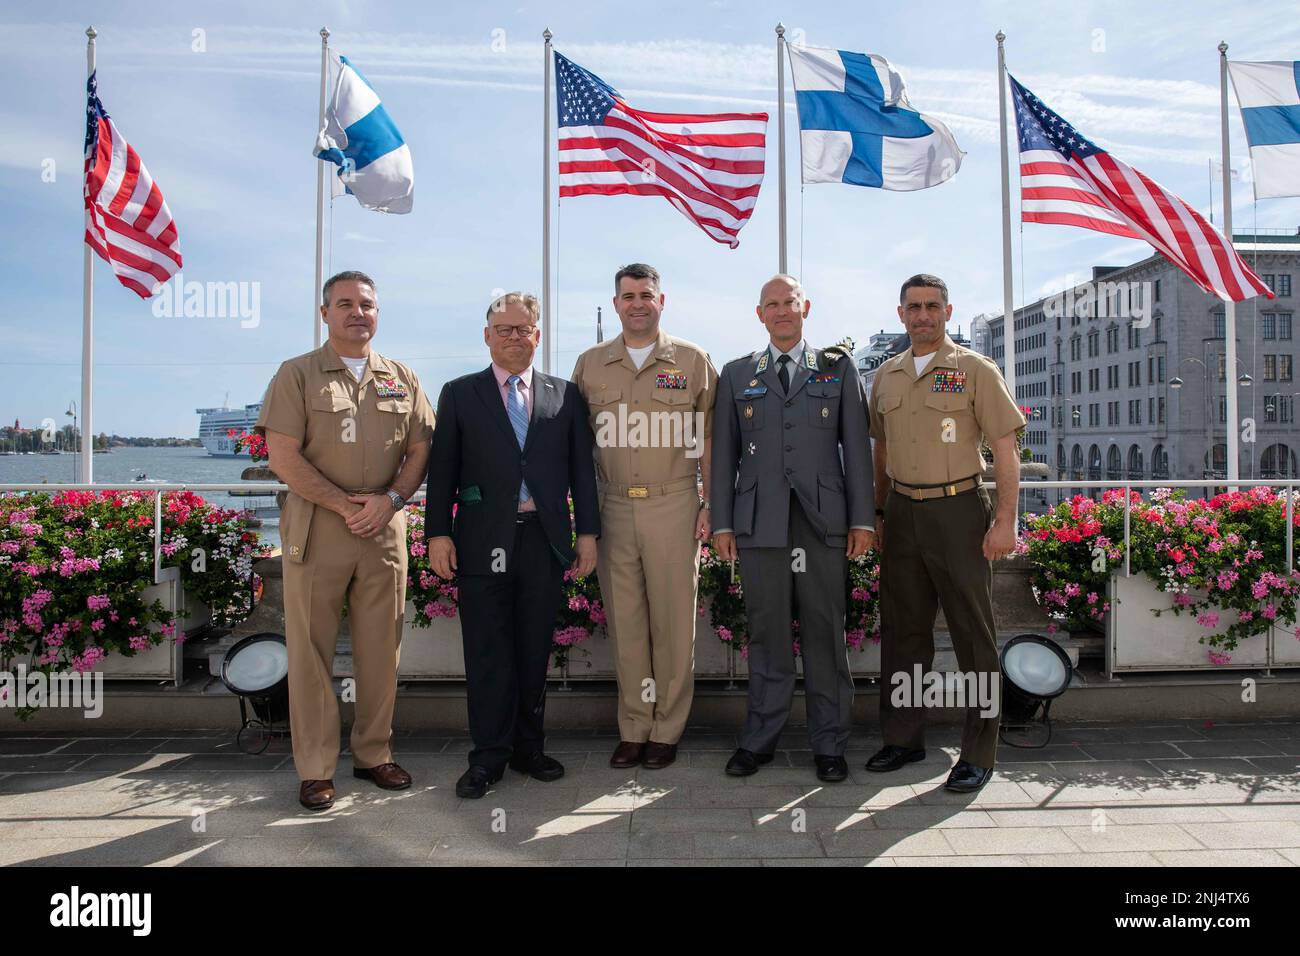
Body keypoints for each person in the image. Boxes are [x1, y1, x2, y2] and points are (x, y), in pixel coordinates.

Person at [258, 271, 435, 811]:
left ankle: (373, 754)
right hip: (319, 526)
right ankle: (315, 769)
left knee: (382, 648)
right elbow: (282, 457)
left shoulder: (401, 376)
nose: (357, 313)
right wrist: (342, 504)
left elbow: (421, 449)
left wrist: (392, 501)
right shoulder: (297, 375)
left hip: (383, 527)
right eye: (345, 304)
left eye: (367, 305)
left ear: (378, 313)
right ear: (325, 312)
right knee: (310, 652)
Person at [426, 292, 600, 799]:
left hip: (542, 543)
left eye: (524, 329)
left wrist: (585, 533)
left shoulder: (564, 395)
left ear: (538, 336)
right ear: (487, 336)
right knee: (486, 652)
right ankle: (487, 757)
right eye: (504, 329)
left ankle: (529, 748)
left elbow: (582, 473)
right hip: (481, 543)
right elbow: (443, 472)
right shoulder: (460, 393)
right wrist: (438, 531)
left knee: (532, 651)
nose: (515, 337)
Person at [711, 274, 875, 783]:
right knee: (767, 634)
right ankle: (759, 740)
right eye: (772, 305)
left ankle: (830, 744)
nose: (782, 311)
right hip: (760, 523)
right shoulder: (737, 374)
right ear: (759, 314)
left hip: (824, 523)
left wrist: (863, 519)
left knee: (826, 633)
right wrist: (721, 523)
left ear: (806, 308)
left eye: (790, 302)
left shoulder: (837, 368)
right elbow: (723, 457)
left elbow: (858, 450)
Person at [866, 273, 1025, 793]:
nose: (923, 315)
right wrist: (880, 512)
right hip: (904, 513)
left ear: (948, 311)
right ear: (901, 314)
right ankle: (904, 738)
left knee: (972, 636)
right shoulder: (886, 376)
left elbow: (1005, 450)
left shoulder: (975, 370)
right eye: (913, 307)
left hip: (959, 509)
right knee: (904, 634)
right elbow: (881, 452)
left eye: (932, 306)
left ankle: (979, 752)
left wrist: (1005, 521)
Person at [570, 264, 717, 770]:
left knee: (674, 623)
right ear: (615, 304)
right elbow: (577, 448)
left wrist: (711, 505)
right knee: (627, 624)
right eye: (628, 296)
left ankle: (667, 729)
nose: (637, 303)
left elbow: (711, 442)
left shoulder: (694, 362)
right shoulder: (590, 365)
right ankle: (634, 726)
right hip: (613, 506)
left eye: (646, 295)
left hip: (674, 503)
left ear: (662, 300)